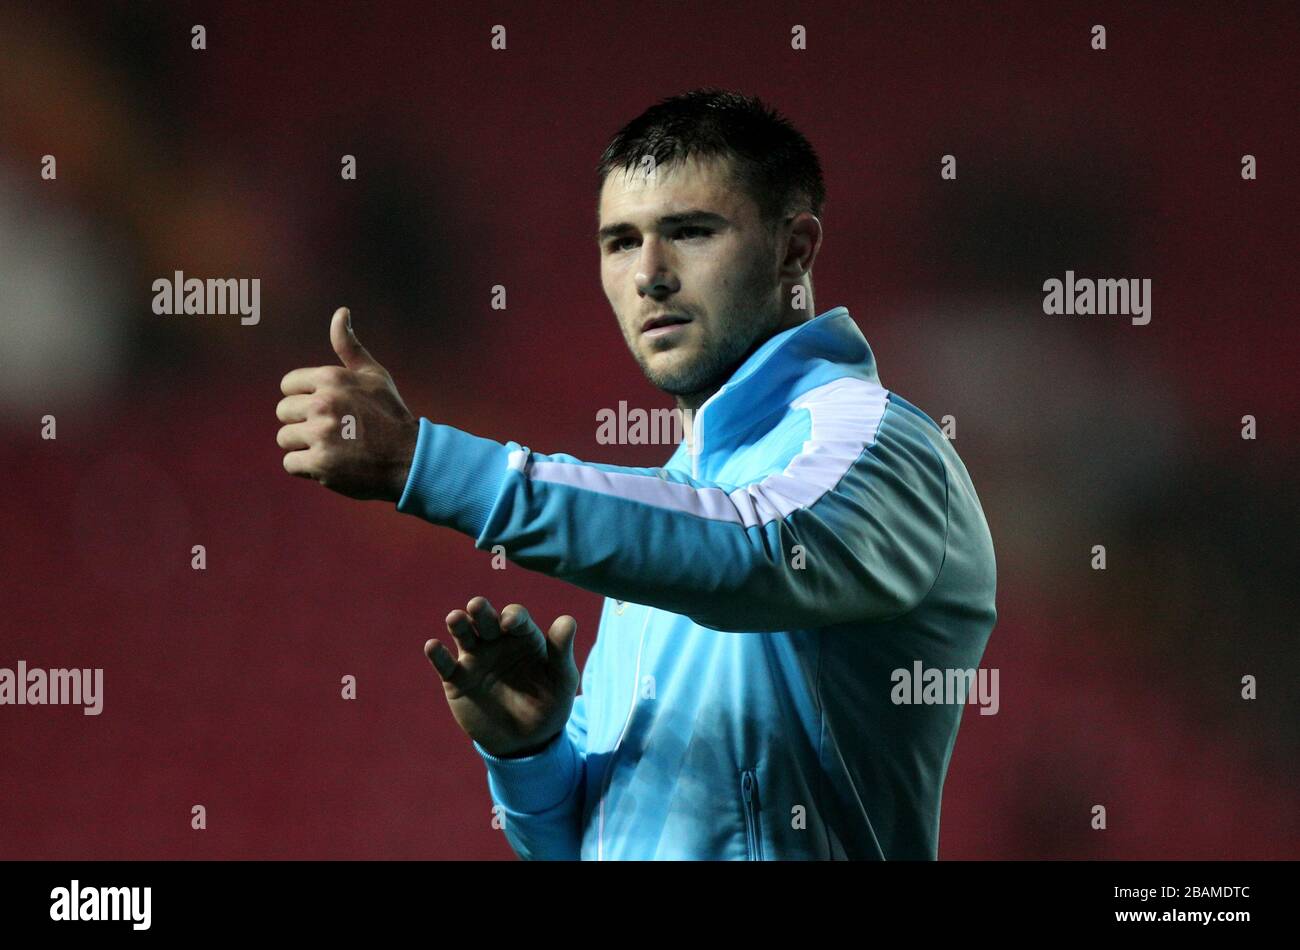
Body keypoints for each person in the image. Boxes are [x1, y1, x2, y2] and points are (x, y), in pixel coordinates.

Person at [276, 88, 997, 860]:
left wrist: (428, 463)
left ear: (795, 250)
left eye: (689, 232)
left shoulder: (879, 444)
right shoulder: (674, 520)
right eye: (619, 242)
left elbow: (756, 548)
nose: (649, 275)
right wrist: (530, 754)